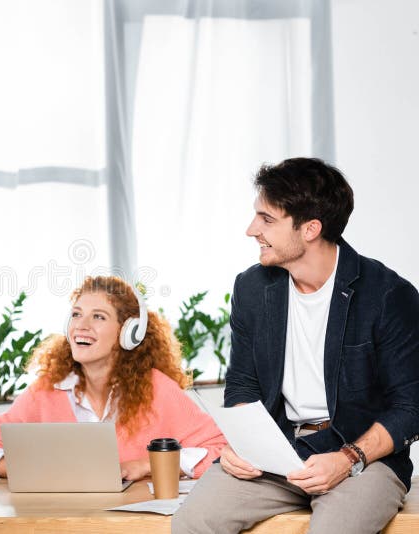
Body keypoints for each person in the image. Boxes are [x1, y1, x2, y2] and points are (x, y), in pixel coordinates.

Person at [172, 157, 419, 533]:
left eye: (267, 219)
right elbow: (242, 384)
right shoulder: (252, 288)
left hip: (361, 459)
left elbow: (410, 406)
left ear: (310, 229)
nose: (251, 229)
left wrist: (349, 457)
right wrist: (242, 444)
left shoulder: (387, 295)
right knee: (193, 522)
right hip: (275, 454)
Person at [0, 275, 226, 481]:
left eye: (98, 316)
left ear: (129, 332)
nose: (81, 325)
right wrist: (27, 469)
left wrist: (147, 465)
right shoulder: (47, 390)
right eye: (77, 314)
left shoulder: (156, 388)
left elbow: (218, 449)